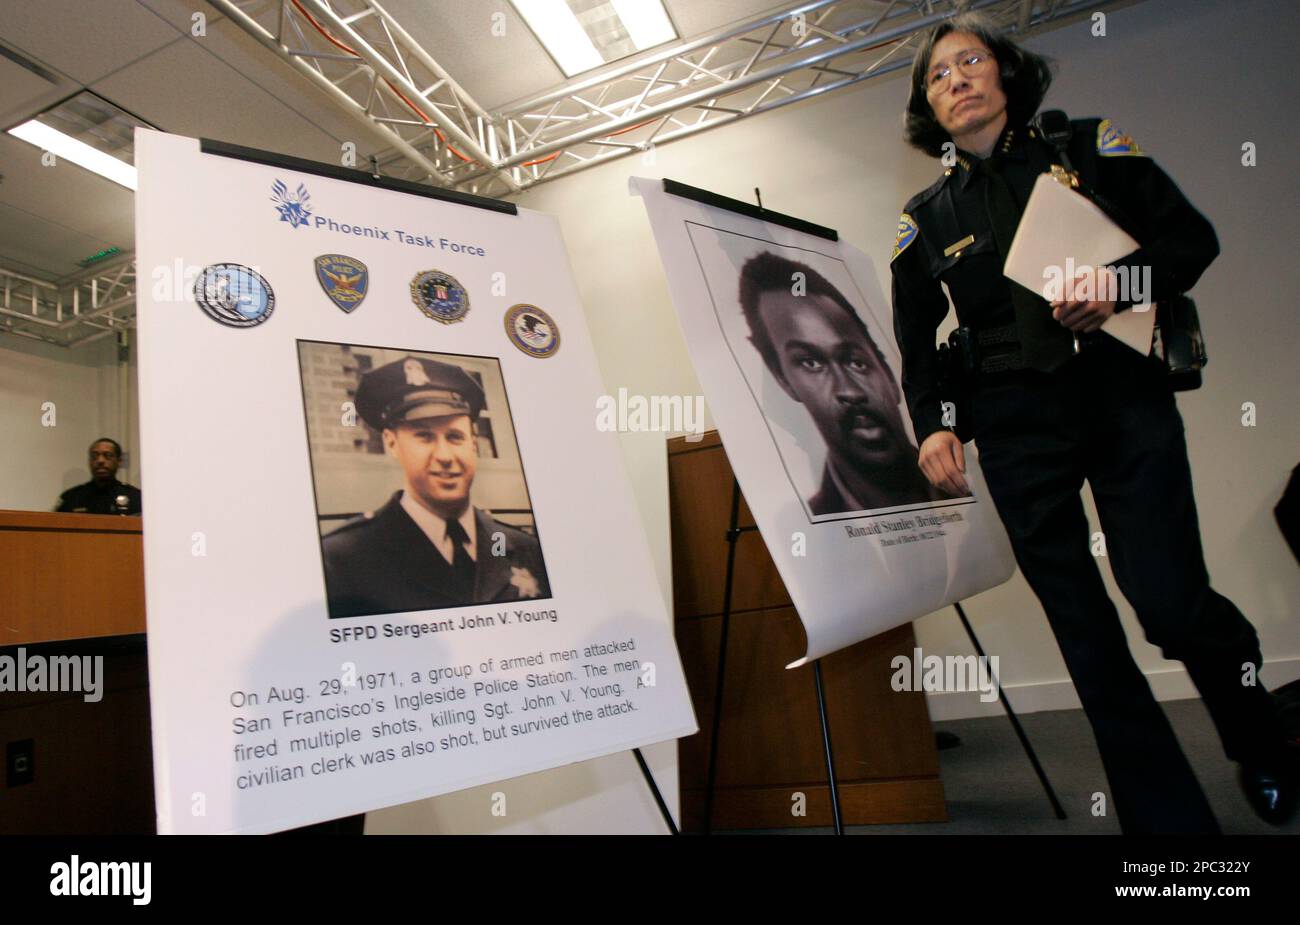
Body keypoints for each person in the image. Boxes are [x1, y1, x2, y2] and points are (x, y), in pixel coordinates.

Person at [889, 12, 1294, 832]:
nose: (957, 79)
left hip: (1119, 403)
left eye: (971, 61)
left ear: (1006, 74)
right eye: (938, 75)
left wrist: (1120, 284)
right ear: (929, 109)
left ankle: (1264, 735)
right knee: (1087, 636)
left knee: (1170, 603)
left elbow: (1192, 239)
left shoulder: (1086, 147)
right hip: (1014, 430)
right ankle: (1172, 831)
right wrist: (935, 423)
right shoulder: (923, 217)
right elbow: (915, 340)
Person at [320, 356, 550, 619]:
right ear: (392, 443)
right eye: (424, 437)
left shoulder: (524, 548)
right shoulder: (343, 560)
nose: (444, 455)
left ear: (473, 444)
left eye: (455, 437)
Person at [738, 250, 960, 514]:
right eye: (811, 363)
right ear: (783, 380)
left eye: (856, 362)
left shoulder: (963, 484)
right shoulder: (814, 525)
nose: (849, 391)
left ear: (888, 374)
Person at [56, 438, 142, 515]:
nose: (100, 460)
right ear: (89, 461)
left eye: (108, 455)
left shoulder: (135, 497)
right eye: (95, 456)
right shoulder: (72, 497)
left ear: (119, 461)